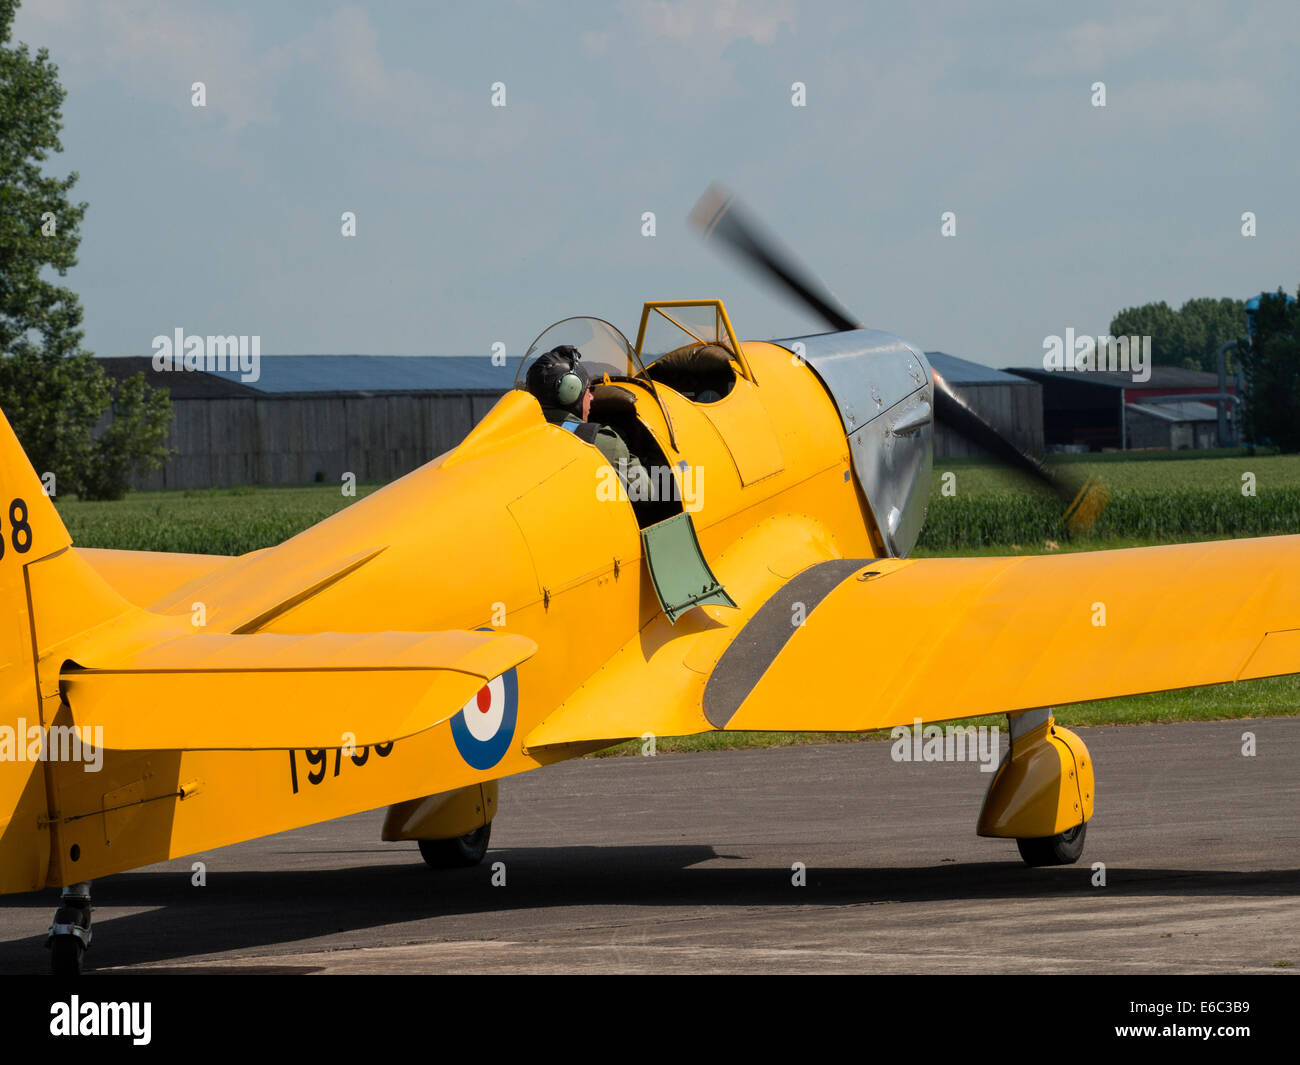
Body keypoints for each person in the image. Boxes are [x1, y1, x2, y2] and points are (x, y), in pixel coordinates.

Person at [526, 345, 651, 497]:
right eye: (588, 390)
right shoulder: (599, 442)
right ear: (570, 391)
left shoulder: (520, 435)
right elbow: (647, 494)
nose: (591, 397)